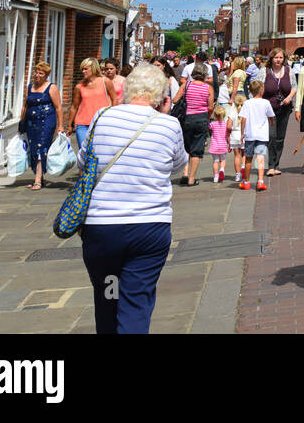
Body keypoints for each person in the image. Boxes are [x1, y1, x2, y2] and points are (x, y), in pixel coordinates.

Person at [78, 62, 187, 334]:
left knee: (108, 297)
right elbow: (177, 165)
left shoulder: (102, 116)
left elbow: (83, 162)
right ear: (162, 96)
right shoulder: (169, 125)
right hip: (148, 228)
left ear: (127, 90)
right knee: (136, 301)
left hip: (101, 228)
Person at [20, 62, 62, 190]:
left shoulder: (51, 88)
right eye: (36, 72)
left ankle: (37, 180)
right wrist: (21, 122)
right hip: (31, 122)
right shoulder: (30, 87)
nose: (37, 75)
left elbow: (58, 107)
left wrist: (60, 126)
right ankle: (40, 176)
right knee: (33, 149)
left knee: (41, 148)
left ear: (46, 75)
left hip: (46, 122)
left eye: (41, 73)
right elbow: (25, 105)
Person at [171, 64, 214, 186]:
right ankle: (191, 179)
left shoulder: (187, 85)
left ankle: (184, 174)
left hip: (187, 119)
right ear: (205, 74)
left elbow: (175, 100)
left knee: (186, 147)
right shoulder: (208, 88)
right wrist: (207, 116)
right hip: (201, 119)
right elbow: (210, 107)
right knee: (196, 150)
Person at [69, 57, 117, 150]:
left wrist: (113, 116)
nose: (83, 71)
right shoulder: (79, 87)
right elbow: (74, 106)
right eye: (82, 69)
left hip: (101, 122)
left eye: (86, 69)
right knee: (84, 153)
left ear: (94, 68)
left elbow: (115, 99)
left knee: (100, 152)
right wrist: (69, 125)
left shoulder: (105, 81)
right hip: (82, 125)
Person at [263, 48, 295, 175]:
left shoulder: (288, 70)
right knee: (271, 136)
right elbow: (259, 88)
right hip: (269, 110)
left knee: (280, 138)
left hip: (285, 109)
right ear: (271, 58)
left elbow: (294, 87)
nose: (278, 60)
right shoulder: (264, 71)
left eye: (280, 57)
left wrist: (289, 97)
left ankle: (276, 165)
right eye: (276, 57)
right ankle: (270, 165)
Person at [239, 78, 275, 190]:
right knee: (260, 158)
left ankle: (246, 182)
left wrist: (242, 133)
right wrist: (271, 123)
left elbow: (243, 119)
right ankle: (260, 181)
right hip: (262, 135)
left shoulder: (247, 103)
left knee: (248, 159)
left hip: (250, 134)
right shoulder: (266, 102)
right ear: (261, 90)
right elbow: (270, 116)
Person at [208, 102, 232, 182]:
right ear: (224, 115)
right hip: (223, 146)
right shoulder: (225, 124)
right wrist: (229, 144)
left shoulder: (212, 124)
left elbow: (208, 128)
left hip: (214, 146)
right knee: (223, 160)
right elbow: (228, 136)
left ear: (215, 115)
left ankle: (215, 176)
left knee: (215, 161)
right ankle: (222, 169)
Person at [227, 92, 246, 176]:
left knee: (236, 156)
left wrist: (230, 132)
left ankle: (237, 174)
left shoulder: (232, 113)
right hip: (244, 135)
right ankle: (243, 167)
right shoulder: (246, 113)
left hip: (234, 135)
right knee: (245, 154)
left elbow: (228, 126)